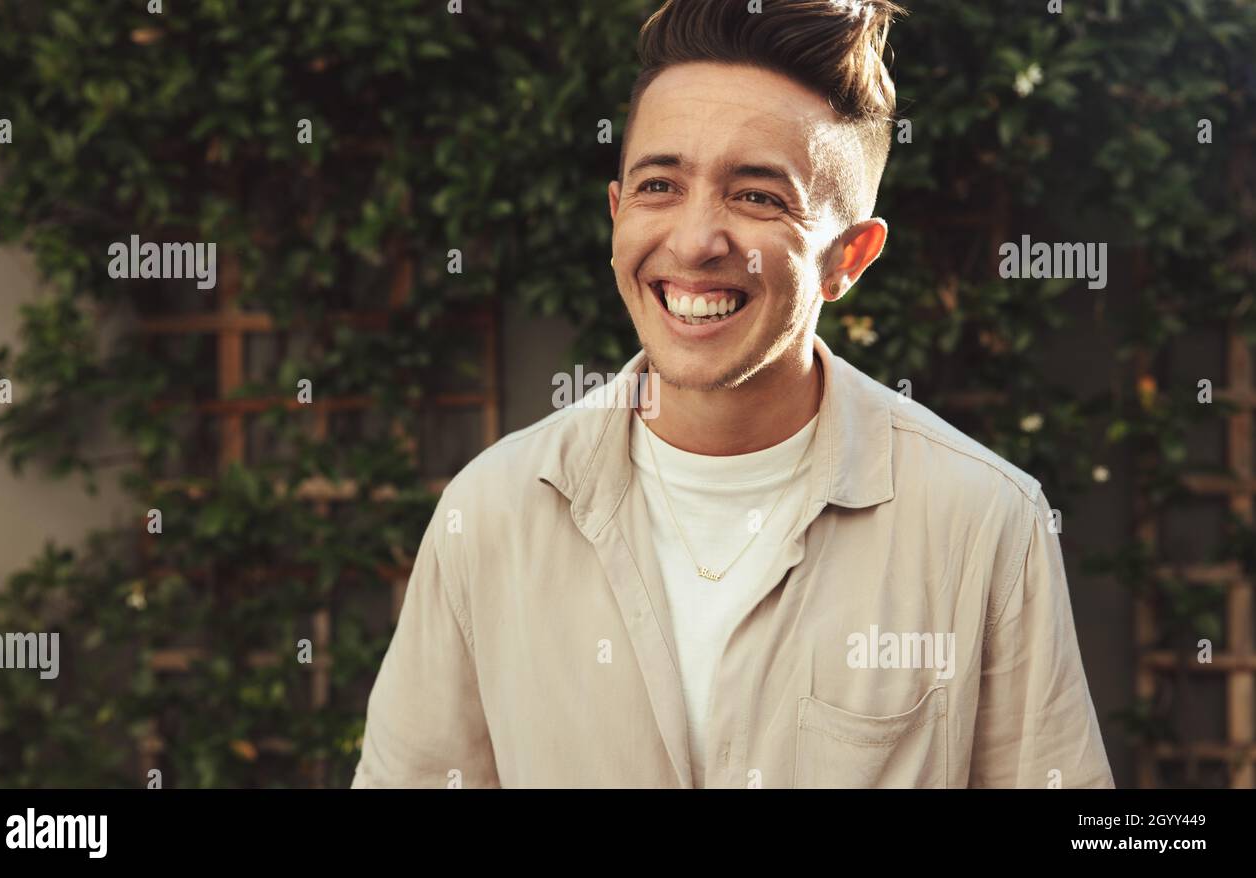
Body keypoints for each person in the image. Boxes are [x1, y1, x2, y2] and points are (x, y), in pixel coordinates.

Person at [352, 0, 1114, 788]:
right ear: (617, 213)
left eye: (756, 196)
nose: (693, 241)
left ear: (848, 257)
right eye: (659, 185)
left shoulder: (984, 522)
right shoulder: (490, 515)